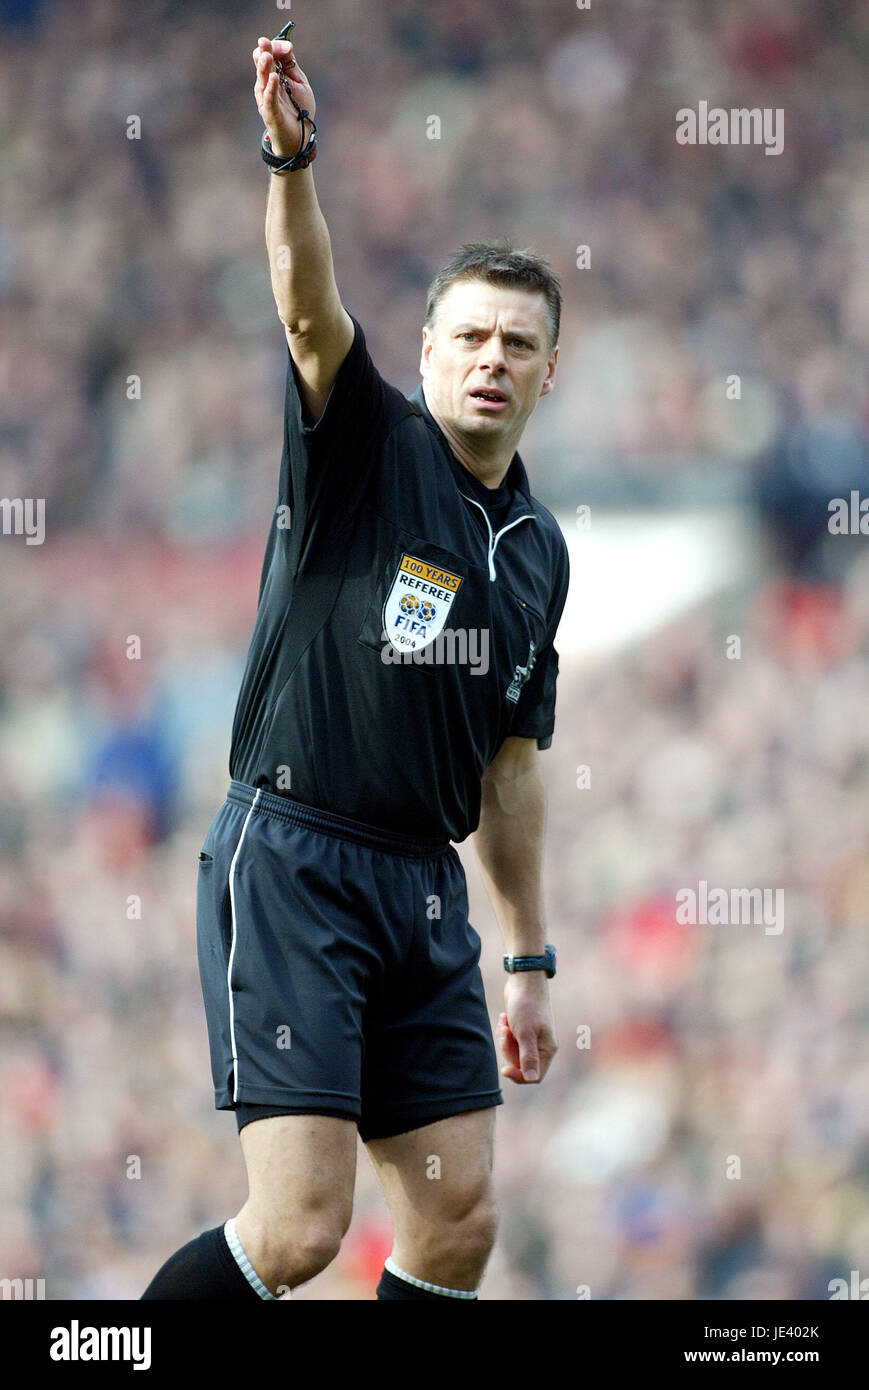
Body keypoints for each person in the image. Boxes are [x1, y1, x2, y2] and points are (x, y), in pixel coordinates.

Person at [142, 26, 569, 1302]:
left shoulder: (539, 549)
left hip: (423, 888)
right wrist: (291, 158)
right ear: (429, 351)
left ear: (552, 370)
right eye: (470, 337)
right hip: (298, 853)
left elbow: (507, 765)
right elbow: (305, 302)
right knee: (298, 1229)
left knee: (456, 1225)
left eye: (517, 344)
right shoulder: (364, 443)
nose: (491, 359)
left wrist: (530, 957)